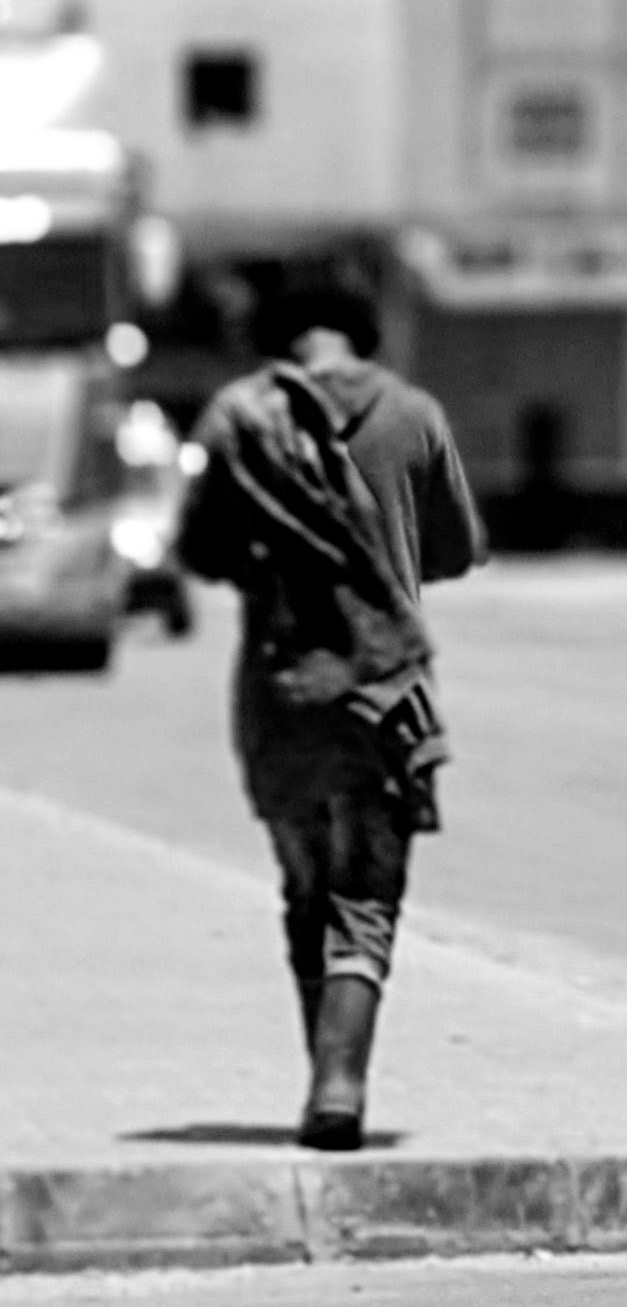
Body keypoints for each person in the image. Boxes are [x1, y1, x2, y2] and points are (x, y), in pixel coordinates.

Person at [173, 268, 485, 1151]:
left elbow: (199, 546)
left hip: (283, 688)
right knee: (367, 896)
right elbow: (458, 550)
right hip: (385, 689)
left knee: (305, 885)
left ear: (280, 336)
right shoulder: (413, 413)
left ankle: (325, 1078)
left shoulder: (238, 415)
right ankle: (339, 1087)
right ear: (358, 331)